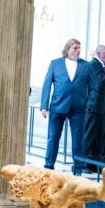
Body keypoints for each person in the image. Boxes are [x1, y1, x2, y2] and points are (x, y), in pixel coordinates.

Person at [38, 39, 92, 175]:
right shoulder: (55, 63)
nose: (78, 51)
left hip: (79, 108)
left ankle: (78, 168)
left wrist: (89, 104)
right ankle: (49, 166)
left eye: (79, 48)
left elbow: (93, 87)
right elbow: (47, 85)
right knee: (53, 137)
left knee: (78, 140)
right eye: (75, 48)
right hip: (57, 105)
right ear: (67, 49)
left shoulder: (86, 66)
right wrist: (43, 106)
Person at [83, 44, 105, 166]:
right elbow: (99, 83)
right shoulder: (94, 64)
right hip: (93, 107)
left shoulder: (100, 65)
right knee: (89, 137)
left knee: (96, 138)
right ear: (98, 53)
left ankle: (92, 164)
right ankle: (82, 164)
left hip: (99, 106)